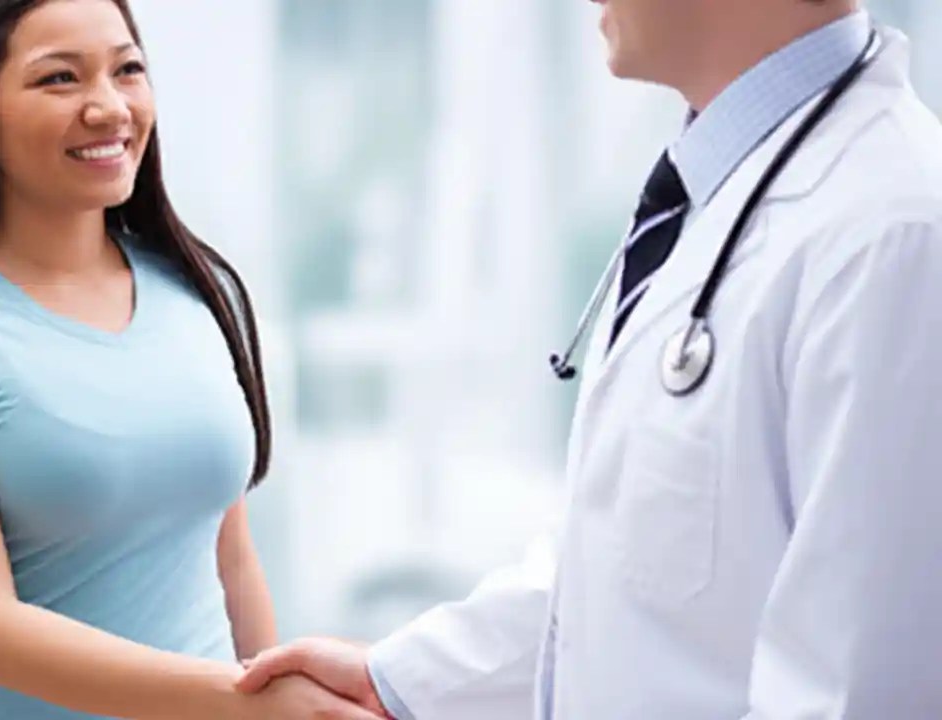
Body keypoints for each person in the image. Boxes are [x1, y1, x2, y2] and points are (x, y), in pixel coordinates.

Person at [238, 0, 942, 718]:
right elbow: (628, 567)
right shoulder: (716, 192)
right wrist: (399, 679)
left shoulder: (893, 237)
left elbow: (862, 694)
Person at [0, 1, 382, 718]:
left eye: (127, 69)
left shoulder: (194, 290)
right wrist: (246, 704)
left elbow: (230, 560)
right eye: (59, 79)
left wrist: (267, 693)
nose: (108, 107)